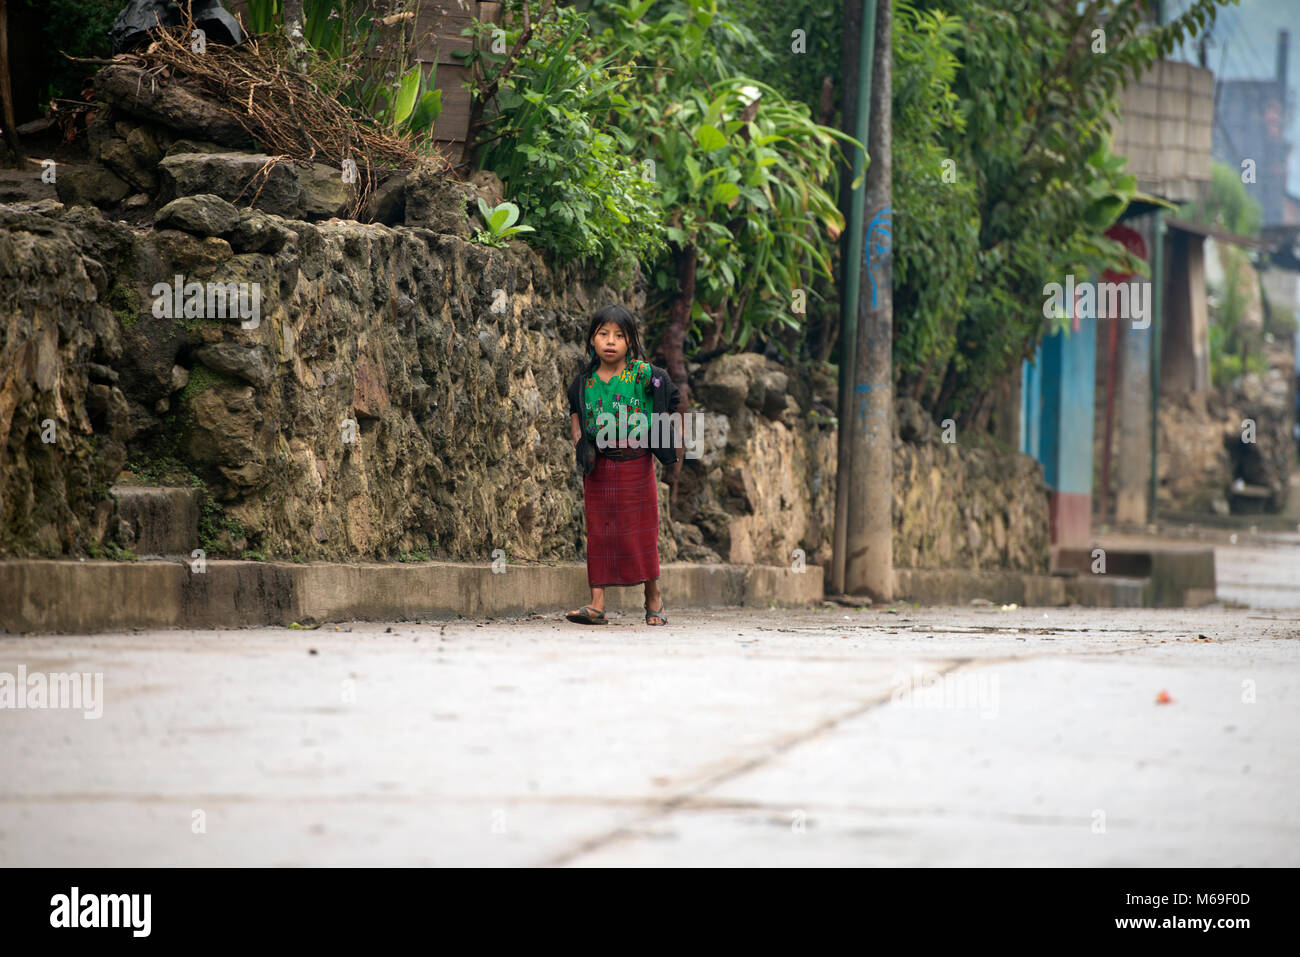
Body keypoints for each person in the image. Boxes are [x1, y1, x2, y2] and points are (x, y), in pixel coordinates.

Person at [564, 304, 681, 626]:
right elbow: (576, 412)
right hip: (600, 468)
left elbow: (669, 395)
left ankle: (653, 597)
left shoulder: (644, 375)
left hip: (636, 464)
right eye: (603, 334)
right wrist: (579, 441)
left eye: (619, 335)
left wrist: (658, 426)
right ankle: (597, 603)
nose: (611, 341)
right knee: (600, 534)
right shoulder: (584, 381)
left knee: (641, 534)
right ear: (592, 339)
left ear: (630, 341)